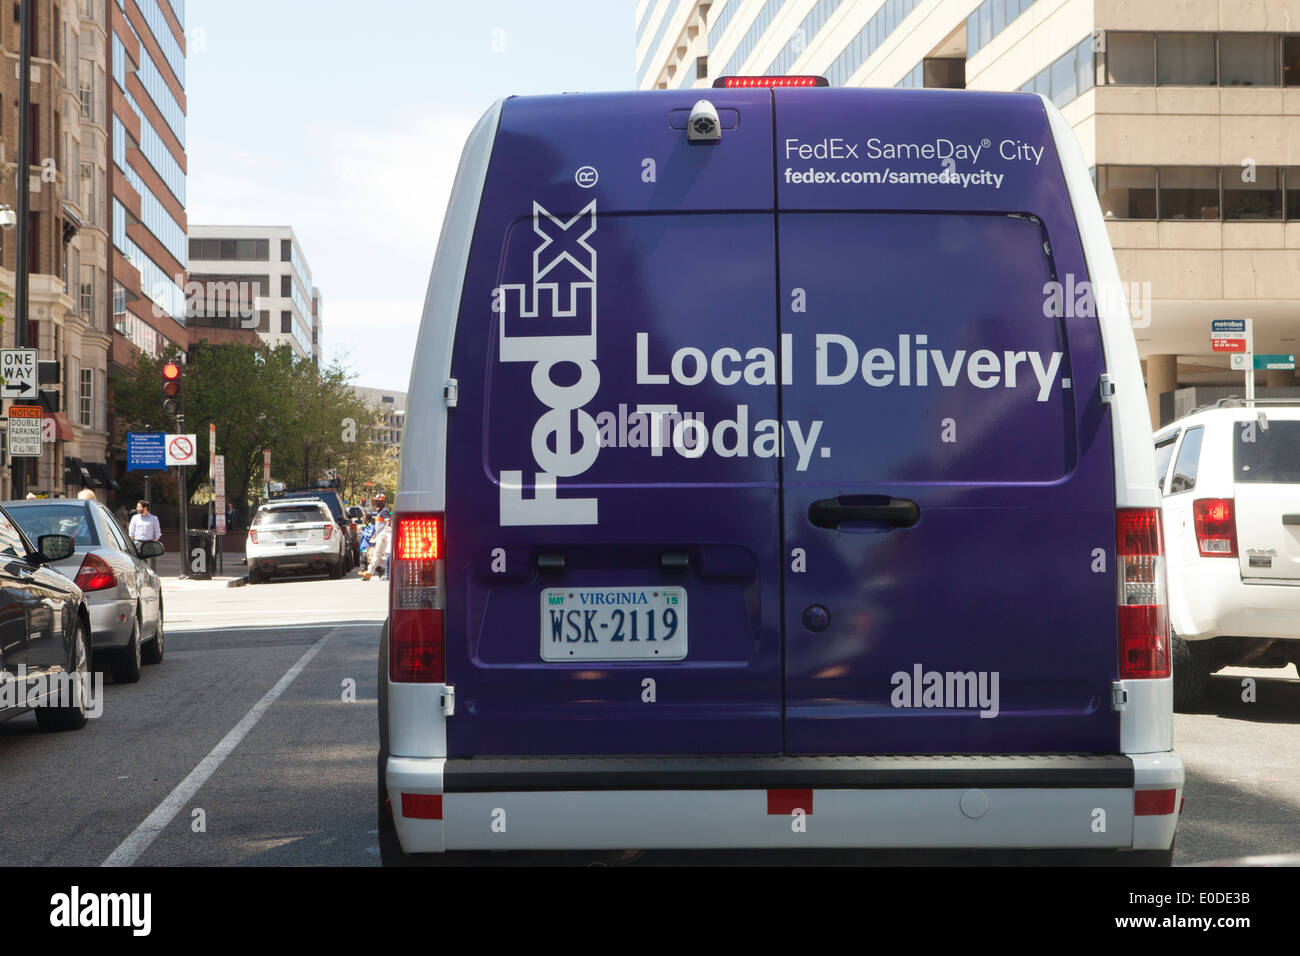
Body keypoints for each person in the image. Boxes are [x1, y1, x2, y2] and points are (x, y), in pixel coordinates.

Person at [128, 500, 163, 569]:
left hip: (149, 544)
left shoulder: (154, 518)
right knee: (138, 564)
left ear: (145, 508)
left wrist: (153, 543)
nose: (137, 508)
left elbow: (157, 533)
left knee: (150, 566)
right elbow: (131, 533)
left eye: (139, 507)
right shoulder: (135, 518)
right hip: (138, 544)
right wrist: (132, 544)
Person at [360, 514, 390, 581]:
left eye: (365, 519)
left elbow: (369, 536)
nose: (363, 520)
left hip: (368, 547)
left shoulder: (371, 527)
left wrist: (362, 532)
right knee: (363, 561)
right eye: (363, 519)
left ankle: (380, 571)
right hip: (363, 546)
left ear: (368, 519)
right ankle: (364, 574)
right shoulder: (364, 526)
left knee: (369, 560)